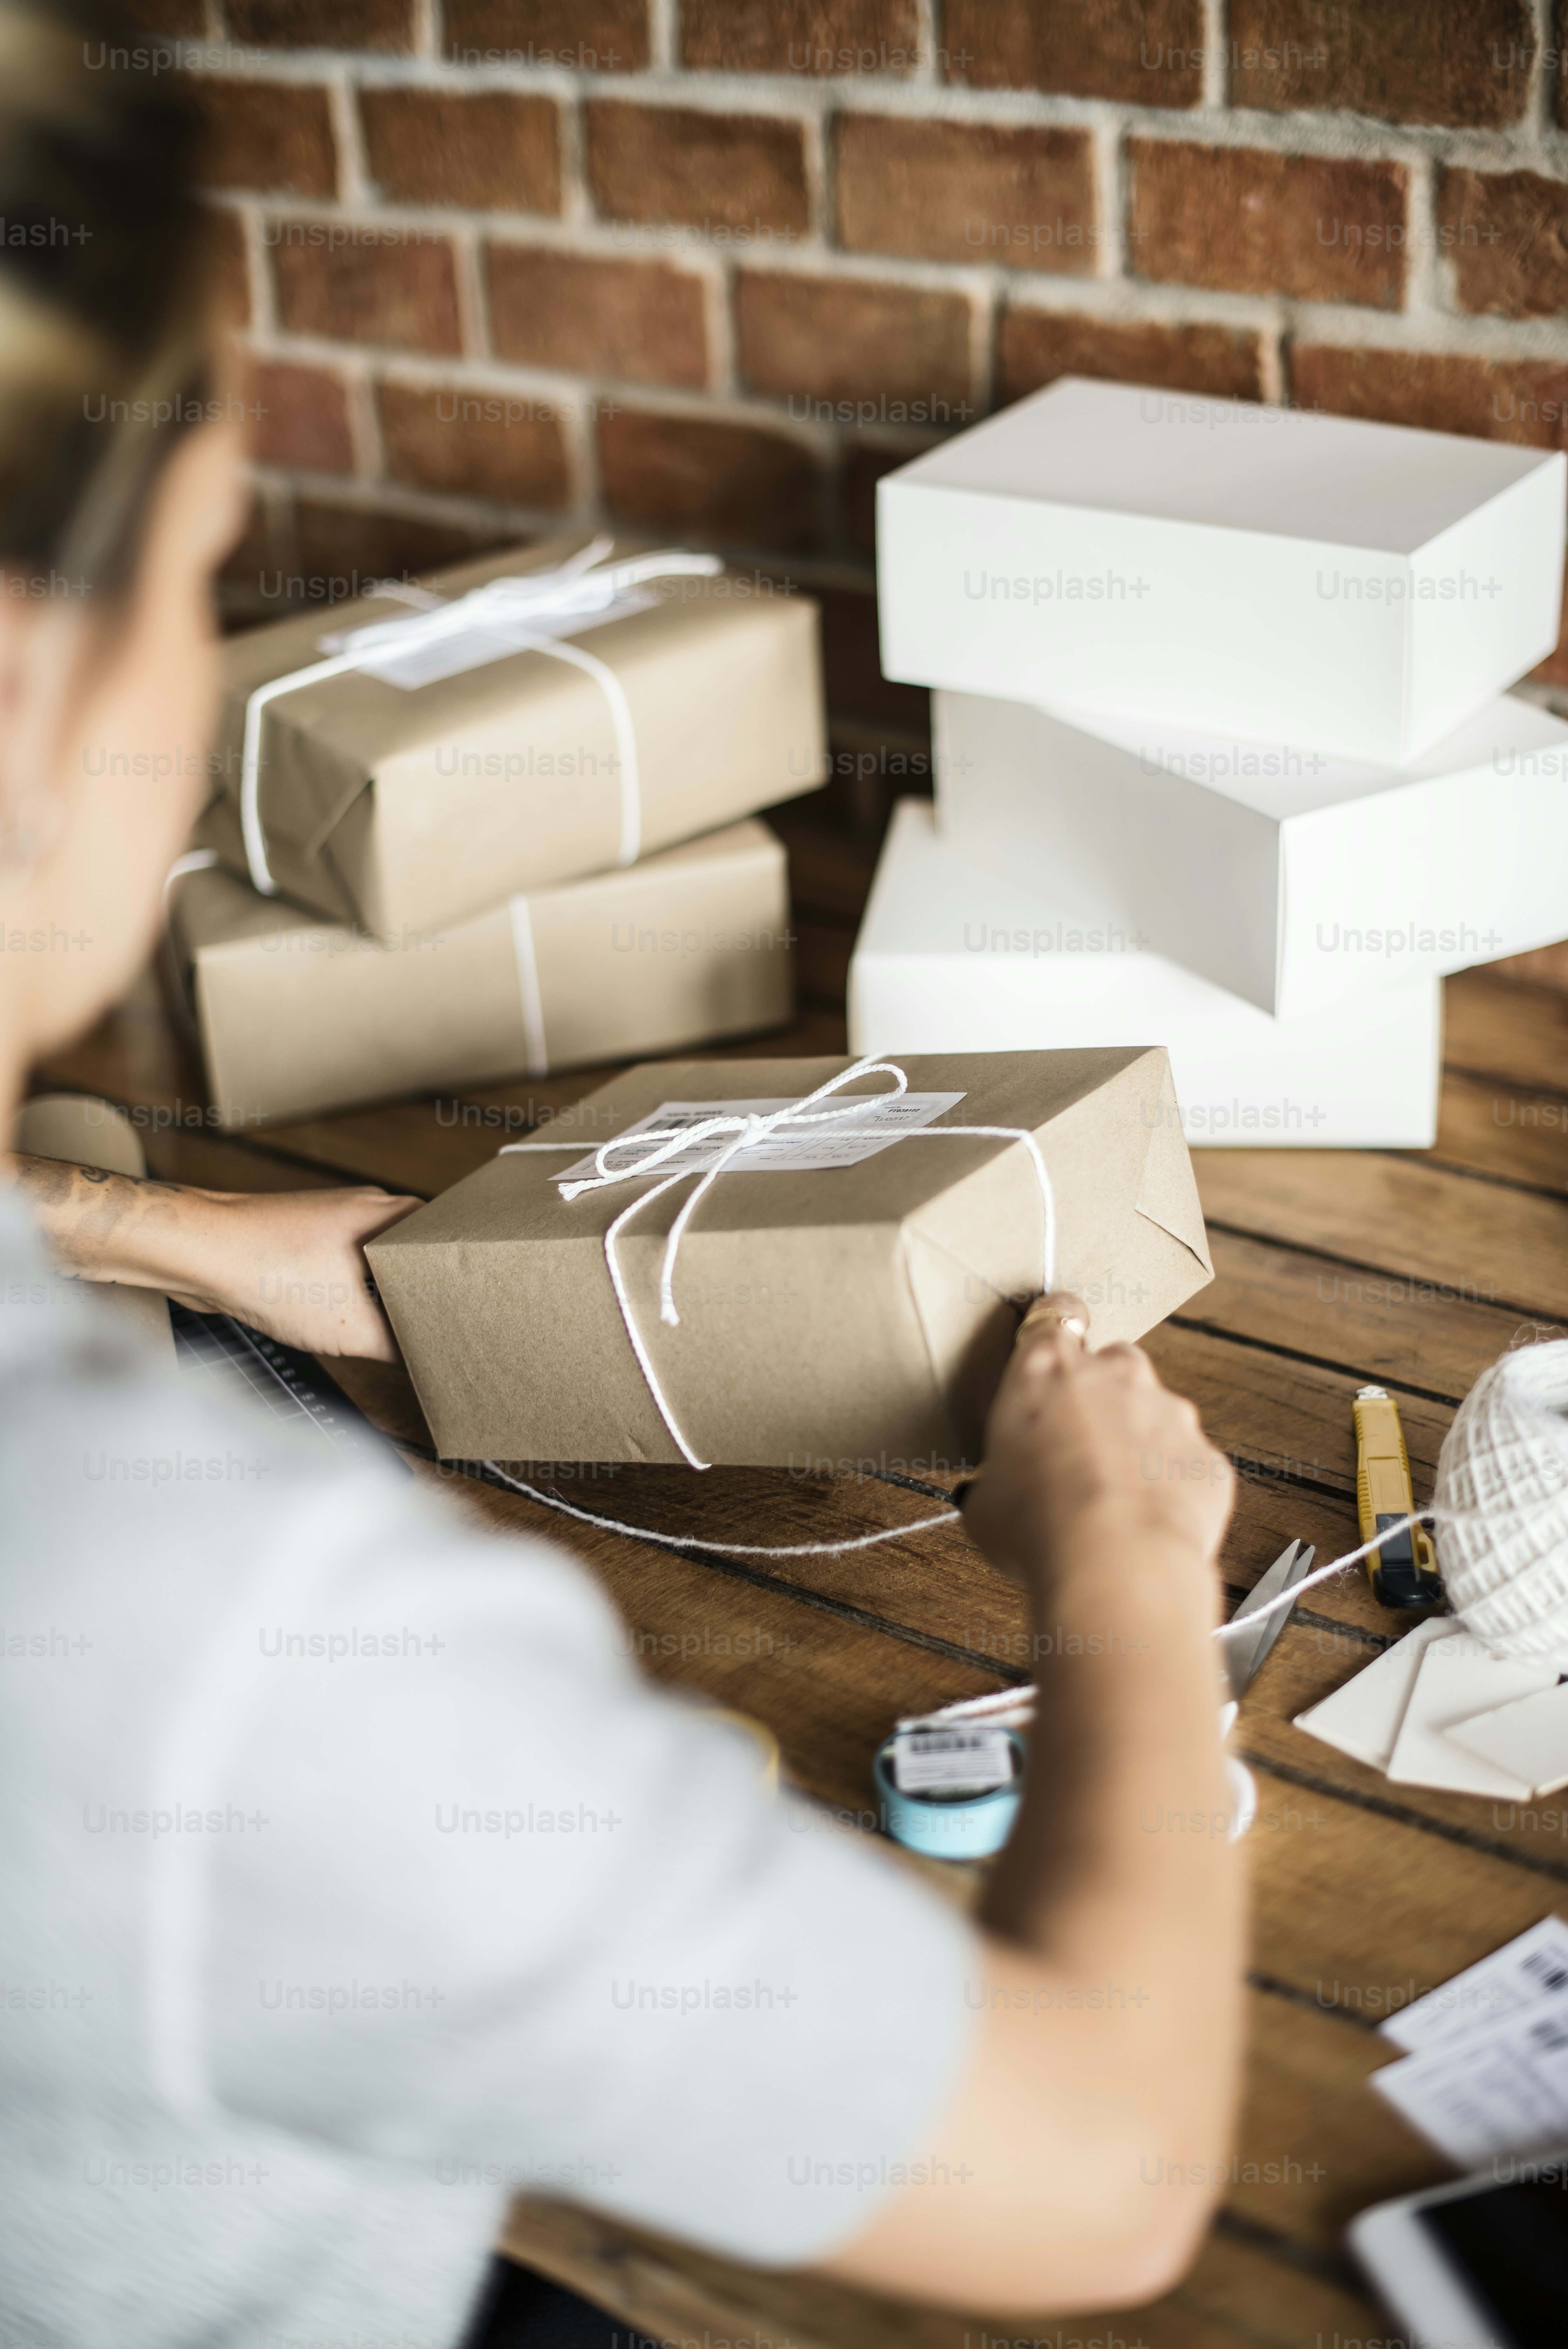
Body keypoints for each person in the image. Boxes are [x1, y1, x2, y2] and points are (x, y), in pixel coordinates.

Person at [0, 8, 1246, 2346]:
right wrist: (1126, 1574)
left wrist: (132, 1234)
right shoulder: (203, 1638)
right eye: (208, 573)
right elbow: (1097, 2177)